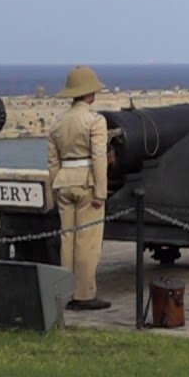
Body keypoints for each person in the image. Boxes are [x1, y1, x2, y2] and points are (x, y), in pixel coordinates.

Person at [47, 65, 111, 311]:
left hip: (64, 182)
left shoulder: (57, 123)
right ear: (89, 93)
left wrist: (56, 189)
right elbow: (99, 158)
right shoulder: (95, 121)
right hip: (86, 183)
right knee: (87, 242)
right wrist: (100, 192)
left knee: (68, 240)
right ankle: (84, 294)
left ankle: (66, 292)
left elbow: (53, 162)